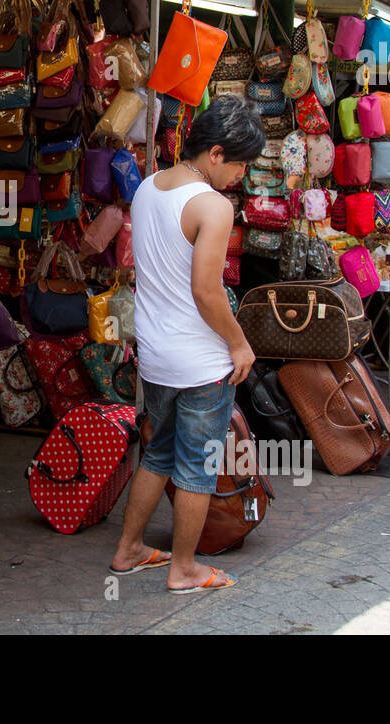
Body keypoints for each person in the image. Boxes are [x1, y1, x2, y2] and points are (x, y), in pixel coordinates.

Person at [108, 94, 263, 593]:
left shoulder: (150, 186)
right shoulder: (213, 206)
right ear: (215, 154)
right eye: (240, 163)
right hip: (199, 361)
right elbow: (206, 291)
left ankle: (128, 550)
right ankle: (184, 569)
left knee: (158, 455)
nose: (241, 174)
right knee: (197, 466)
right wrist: (239, 345)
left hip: (155, 355)